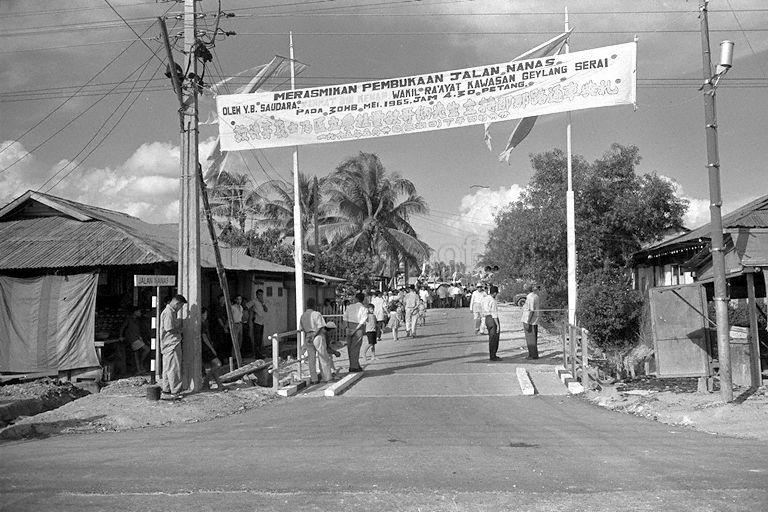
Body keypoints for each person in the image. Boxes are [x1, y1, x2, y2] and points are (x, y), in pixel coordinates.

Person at [300, 298, 333, 384]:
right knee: (323, 357)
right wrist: (314, 335)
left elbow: (302, 328)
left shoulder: (303, 316)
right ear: (314, 305)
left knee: (311, 359)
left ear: (307, 305)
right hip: (317, 336)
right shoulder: (317, 314)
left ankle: (314, 379)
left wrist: (309, 336)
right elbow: (320, 326)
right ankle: (327, 377)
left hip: (308, 336)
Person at [160, 294, 187, 398]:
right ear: (177, 303)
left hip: (168, 344)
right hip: (172, 343)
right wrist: (179, 330)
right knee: (174, 368)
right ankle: (175, 391)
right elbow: (169, 328)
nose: (180, 308)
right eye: (181, 306)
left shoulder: (170, 312)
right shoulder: (169, 312)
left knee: (167, 368)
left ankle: (166, 390)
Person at [119, 308, 151, 374]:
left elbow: (138, 330)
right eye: (139, 311)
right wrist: (121, 336)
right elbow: (122, 328)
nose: (140, 313)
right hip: (133, 339)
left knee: (137, 354)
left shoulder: (137, 320)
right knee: (147, 349)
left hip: (138, 338)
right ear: (135, 312)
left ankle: (139, 368)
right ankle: (140, 364)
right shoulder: (129, 319)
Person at [343, 292, 368, 372]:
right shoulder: (364, 308)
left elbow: (345, 317)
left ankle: (353, 365)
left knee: (349, 347)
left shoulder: (349, 306)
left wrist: (347, 327)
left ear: (356, 298)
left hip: (349, 326)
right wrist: (356, 329)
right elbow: (363, 320)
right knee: (356, 347)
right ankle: (354, 366)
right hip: (358, 328)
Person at [200, 307, 224, 390]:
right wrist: (211, 348)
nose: (206, 315)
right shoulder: (201, 323)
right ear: (202, 314)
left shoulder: (203, 323)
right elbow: (204, 337)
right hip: (205, 348)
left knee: (214, 367)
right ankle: (206, 382)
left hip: (205, 347)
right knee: (218, 364)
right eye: (205, 313)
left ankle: (219, 385)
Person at [521, 285, 541, 359]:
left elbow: (531, 310)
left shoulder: (531, 297)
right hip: (534, 320)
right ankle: (533, 354)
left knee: (530, 339)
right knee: (533, 338)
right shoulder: (535, 296)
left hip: (530, 320)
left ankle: (533, 355)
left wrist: (528, 321)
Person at [482, 285, 502, 361]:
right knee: (495, 338)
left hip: (487, 318)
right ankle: (493, 355)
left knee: (491, 338)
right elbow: (494, 314)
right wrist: (498, 325)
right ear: (494, 293)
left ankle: (492, 354)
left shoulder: (485, 299)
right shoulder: (493, 301)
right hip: (492, 319)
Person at [248, 289, 268, 359]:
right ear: (257, 295)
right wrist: (253, 311)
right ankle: (257, 354)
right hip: (256, 322)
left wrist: (263, 303)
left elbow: (266, 310)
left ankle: (259, 353)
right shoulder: (254, 301)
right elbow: (247, 306)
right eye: (259, 295)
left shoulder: (262, 301)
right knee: (257, 338)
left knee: (260, 339)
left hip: (262, 322)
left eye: (261, 295)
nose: (260, 296)